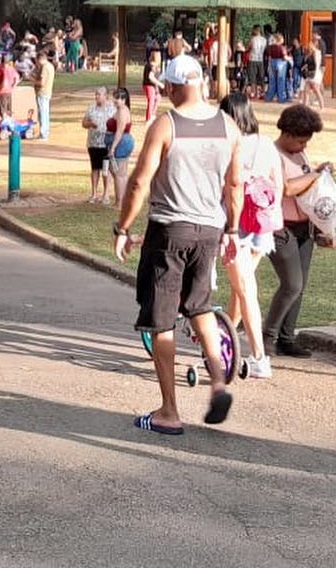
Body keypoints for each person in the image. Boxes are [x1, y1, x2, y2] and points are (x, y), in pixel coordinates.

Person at [113, 53, 242, 434]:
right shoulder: (229, 127)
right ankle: (218, 380)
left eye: (165, 86)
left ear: (171, 86)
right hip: (209, 231)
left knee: (163, 320)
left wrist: (122, 227)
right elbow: (234, 185)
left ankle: (169, 411)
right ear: (201, 82)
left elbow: (139, 180)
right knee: (200, 307)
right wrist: (231, 230)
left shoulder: (165, 125)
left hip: (170, 229)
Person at [218, 93, 282, 378]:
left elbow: (224, 187)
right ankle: (224, 341)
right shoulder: (266, 144)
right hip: (261, 222)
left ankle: (258, 356)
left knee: (246, 290)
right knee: (240, 288)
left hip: (234, 224)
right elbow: (278, 185)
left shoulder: (229, 145)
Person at [261, 103, 329, 360]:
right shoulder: (272, 153)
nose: (304, 146)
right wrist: (315, 174)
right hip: (281, 226)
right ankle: (269, 335)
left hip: (304, 227)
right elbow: (285, 189)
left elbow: (308, 187)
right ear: (287, 133)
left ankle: (286, 338)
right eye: (301, 141)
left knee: (300, 285)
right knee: (292, 283)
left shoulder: (300, 156)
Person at [82, 87, 116, 203]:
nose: (97, 97)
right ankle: (94, 193)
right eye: (96, 94)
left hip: (106, 143)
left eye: (99, 95)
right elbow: (84, 123)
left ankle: (106, 194)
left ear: (106, 96)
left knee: (105, 169)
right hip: (93, 143)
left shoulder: (112, 108)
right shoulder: (91, 108)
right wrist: (90, 123)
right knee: (95, 168)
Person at [107, 86, 136, 209]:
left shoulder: (122, 111)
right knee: (120, 173)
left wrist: (113, 147)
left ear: (123, 99)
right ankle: (122, 199)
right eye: (114, 98)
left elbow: (119, 131)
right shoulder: (120, 110)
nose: (114, 101)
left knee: (119, 173)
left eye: (117, 99)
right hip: (122, 142)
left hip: (121, 143)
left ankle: (119, 202)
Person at [33, 51, 55, 140]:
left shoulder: (45, 68)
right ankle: (44, 132)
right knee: (45, 113)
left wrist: (33, 81)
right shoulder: (50, 66)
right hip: (47, 92)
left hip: (42, 92)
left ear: (39, 59)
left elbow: (41, 83)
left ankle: (44, 134)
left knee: (43, 114)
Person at [142, 49, 163, 122]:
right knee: (151, 101)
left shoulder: (153, 66)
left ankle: (152, 114)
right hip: (149, 85)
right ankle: (149, 117)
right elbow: (151, 77)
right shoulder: (151, 66)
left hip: (150, 86)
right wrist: (160, 84)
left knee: (158, 98)